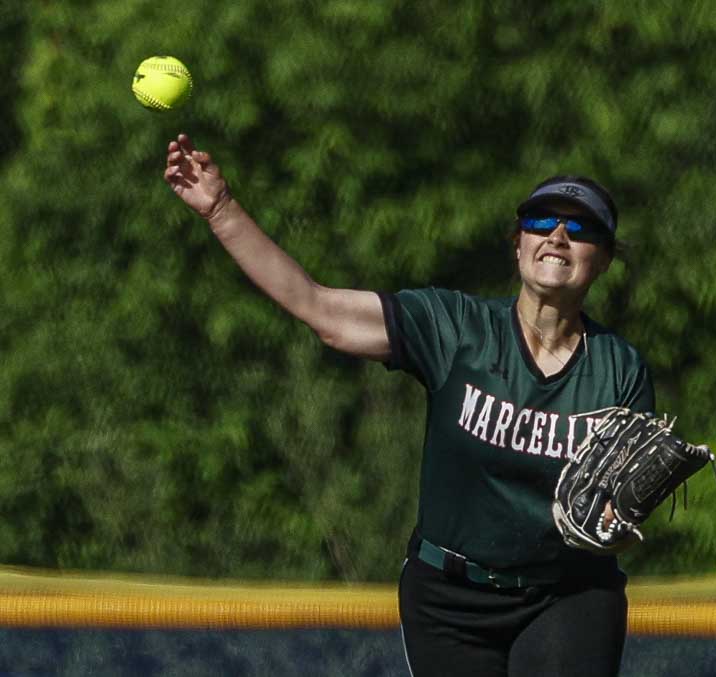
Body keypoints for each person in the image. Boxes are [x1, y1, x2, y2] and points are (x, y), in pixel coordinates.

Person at [164, 133, 655, 676]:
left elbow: (621, 518)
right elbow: (320, 308)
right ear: (517, 244)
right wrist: (221, 210)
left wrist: (619, 524)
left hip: (567, 596)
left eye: (581, 228)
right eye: (541, 222)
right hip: (449, 600)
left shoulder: (619, 369)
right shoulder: (456, 329)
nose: (557, 236)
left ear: (605, 259)